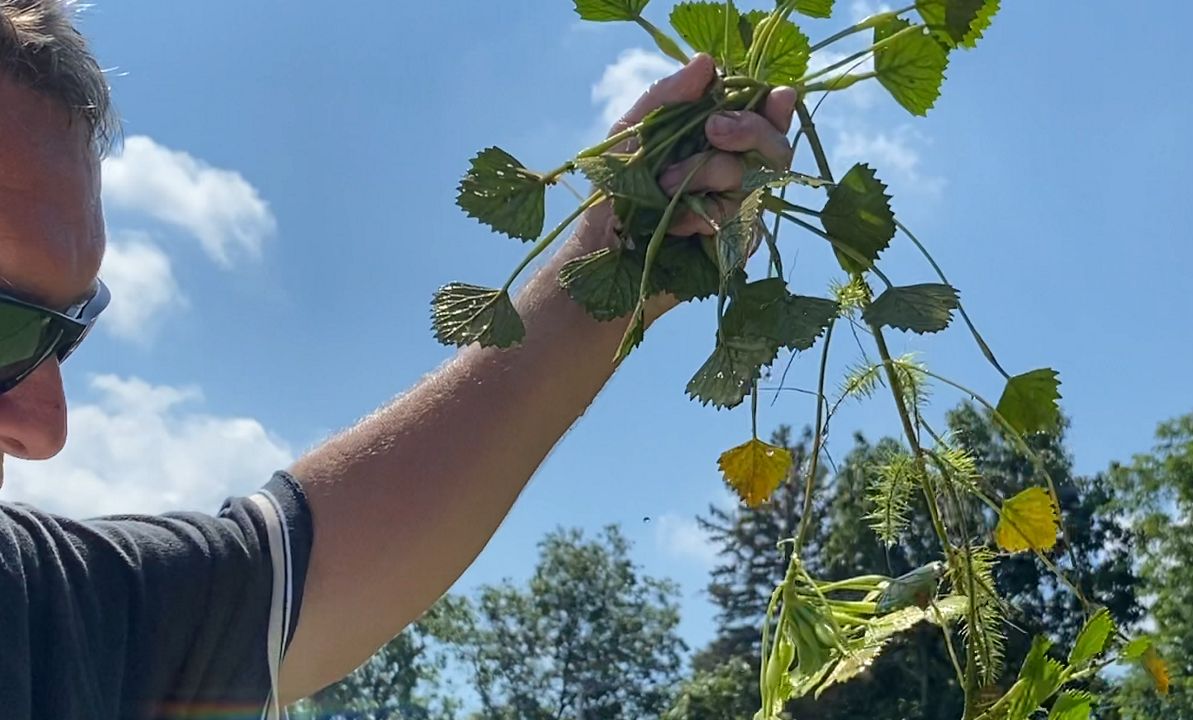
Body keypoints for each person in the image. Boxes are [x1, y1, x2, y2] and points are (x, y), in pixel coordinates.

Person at [0, 1, 797, 717]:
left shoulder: (46, 613)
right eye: (7, 325)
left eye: (68, 329)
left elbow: (294, 574)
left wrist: (619, 257)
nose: (46, 428)